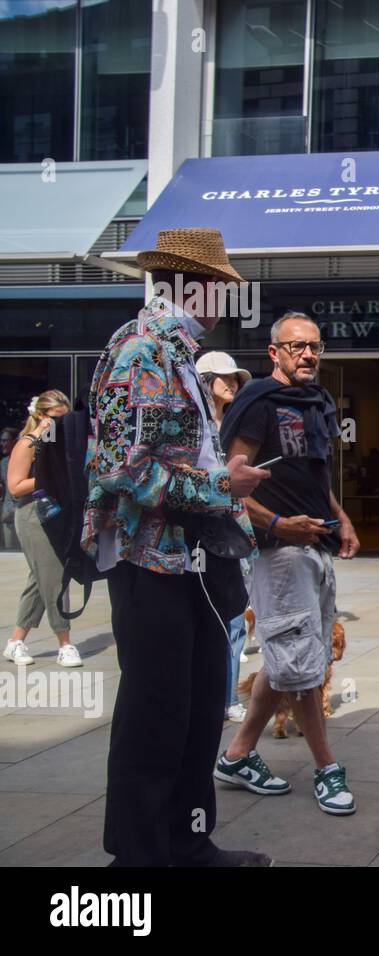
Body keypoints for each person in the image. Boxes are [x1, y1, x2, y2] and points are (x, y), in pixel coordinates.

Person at [84, 227, 271, 866]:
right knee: (154, 716)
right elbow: (124, 471)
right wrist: (226, 483)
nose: (226, 303)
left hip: (186, 560)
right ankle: (138, 859)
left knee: (193, 712)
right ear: (199, 287)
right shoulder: (140, 352)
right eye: (222, 288)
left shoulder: (176, 355)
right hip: (149, 561)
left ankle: (188, 841)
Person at [216, 311, 361, 816]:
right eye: (296, 346)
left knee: (299, 657)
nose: (307, 354)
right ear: (273, 352)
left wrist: (340, 518)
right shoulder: (258, 402)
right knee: (301, 666)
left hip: (315, 544)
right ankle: (326, 768)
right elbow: (229, 484)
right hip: (279, 552)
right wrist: (277, 524)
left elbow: (313, 477)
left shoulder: (317, 401)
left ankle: (236, 756)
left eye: (314, 346)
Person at [4, 390, 81, 667]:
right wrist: (50, 478)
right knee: (56, 577)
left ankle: (16, 641)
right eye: (55, 419)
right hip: (32, 515)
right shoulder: (28, 443)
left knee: (40, 579)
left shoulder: (57, 444)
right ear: (40, 416)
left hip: (53, 513)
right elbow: (14, 486)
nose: (60, 424)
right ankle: (65, 643)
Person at [197, 350, 254, 721]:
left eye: (235, 378)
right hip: (206, 534)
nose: (232, 383)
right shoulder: (198, 428)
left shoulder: (236, 425)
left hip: (238, 531)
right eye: (224, 377)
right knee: (212, 620)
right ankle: (214, 695)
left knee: (235, 619)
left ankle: (228, 697)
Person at [1, 426, 21, 550]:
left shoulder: (23, 459)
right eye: (1, 440)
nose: (2, 444)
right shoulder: (3, 463)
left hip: (20, 511)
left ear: (14, 441)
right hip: (6, 515)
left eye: (5, 440)